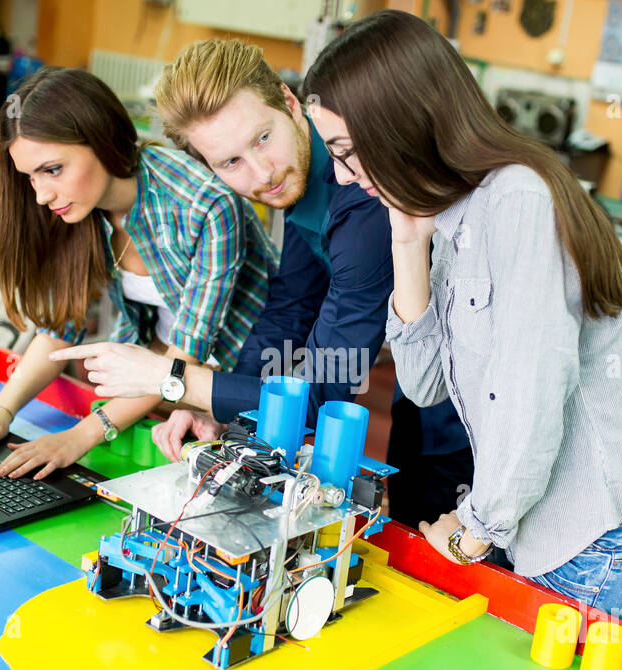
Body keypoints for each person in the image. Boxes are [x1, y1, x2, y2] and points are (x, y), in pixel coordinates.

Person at [302, 10, 622, 622]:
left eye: (349, 153)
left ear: (400, 124)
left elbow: (530, 393)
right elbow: (424, 385)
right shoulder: (449, 214)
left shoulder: (517, 201)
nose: (345, 177)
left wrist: (477, 527)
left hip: (597, 534)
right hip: (545, 522)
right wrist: (407, 241)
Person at [51, 39, 473, 528]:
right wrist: (216, 407)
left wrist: (174, 381)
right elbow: (290, 307)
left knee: (450, 534)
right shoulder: (299, 175)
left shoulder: (360, 198)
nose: (262, 173)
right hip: (423, 370)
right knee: (415, 510)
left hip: (475, 382)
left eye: (262, 139)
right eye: (230, 163)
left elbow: (326, 390)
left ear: (289, 102)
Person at [0, 66, 281, 479]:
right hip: (158, 385)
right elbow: (60, 327)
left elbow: (182, 359)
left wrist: (80, 436)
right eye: (30, 177)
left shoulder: (204, 203)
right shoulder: (78, 208)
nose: (42, 194)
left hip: (244, 384)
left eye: (53, 169)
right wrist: (2, 409)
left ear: (101, 139)